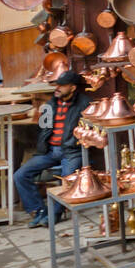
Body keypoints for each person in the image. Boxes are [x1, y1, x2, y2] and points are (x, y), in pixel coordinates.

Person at [14, 71, 90, 228]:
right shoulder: (50, 104)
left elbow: (89, 129)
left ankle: (55, 213)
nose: (58, 88)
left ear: (73, 87)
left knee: (67, 180)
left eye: (62, 85)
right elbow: (42, 128)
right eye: (57, 85)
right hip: (49, 151)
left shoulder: (85, 104)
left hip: (72, 151)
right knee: (20, 175)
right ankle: (39, 211)